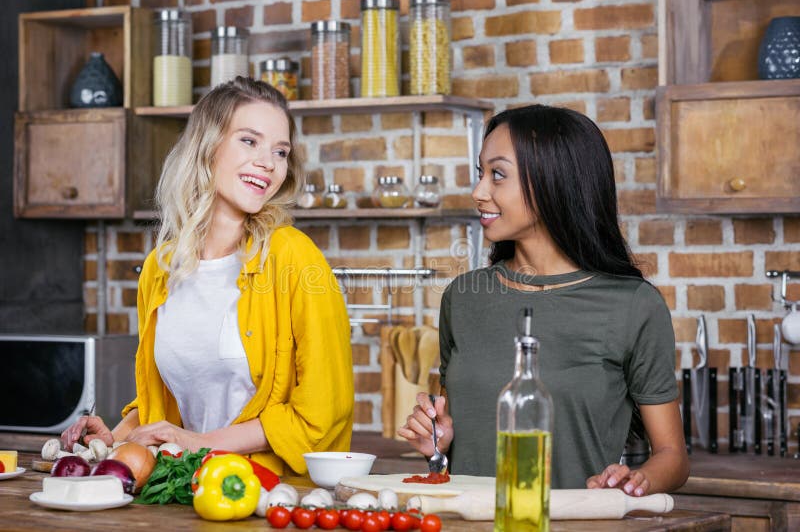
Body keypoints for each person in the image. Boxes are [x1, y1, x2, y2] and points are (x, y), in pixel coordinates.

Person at [62, 77, 354, 476]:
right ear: (207, 145)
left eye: (280, 151)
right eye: (249, 141)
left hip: (268, 499)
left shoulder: (294, 257)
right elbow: (166, 402)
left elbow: (324, 409)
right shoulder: (161, 269)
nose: (268, 163)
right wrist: (116, 438)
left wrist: (198, 444)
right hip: (185, 492)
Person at [398, 104, 689, 495]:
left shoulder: (633, 305)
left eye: (498, 175)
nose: (478, 192)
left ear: (554, 182)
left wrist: (637, 480)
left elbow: (672, 456)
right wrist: (439, 444)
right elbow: (461, 440)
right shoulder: (463, 298)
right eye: (481, 174)